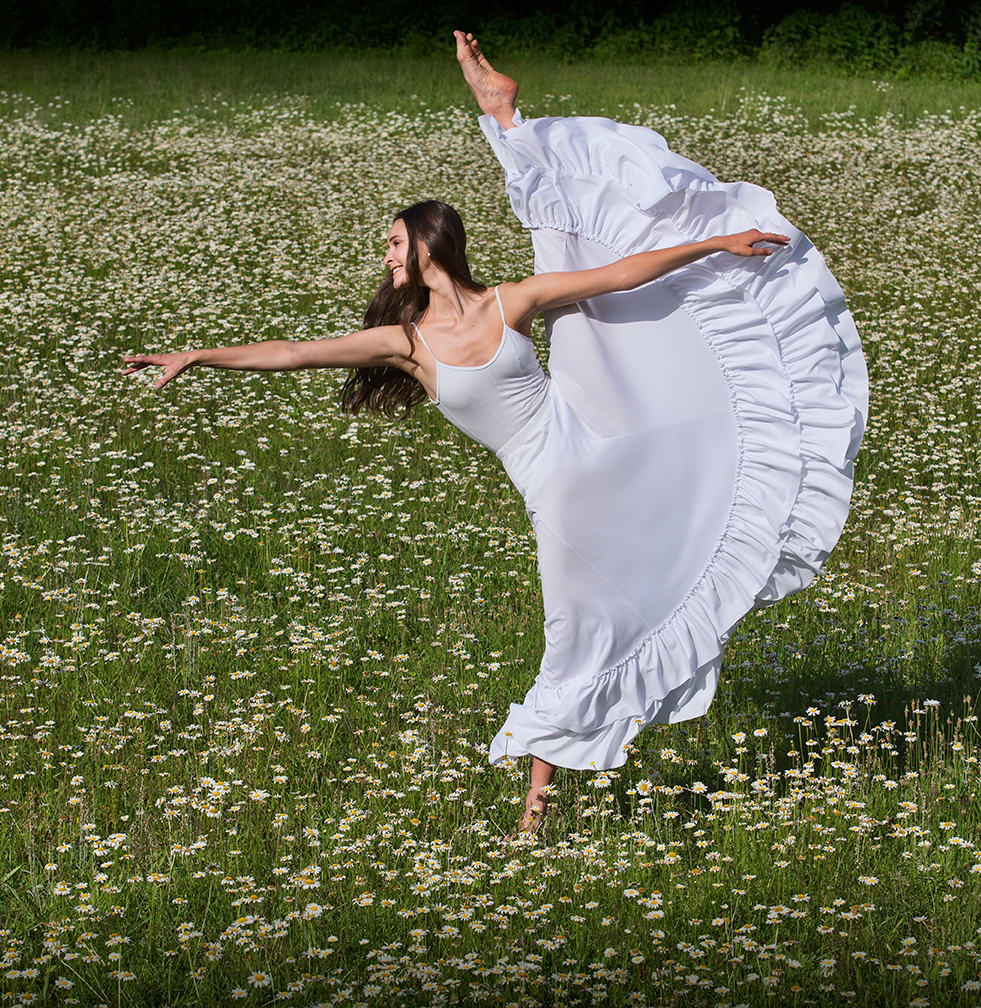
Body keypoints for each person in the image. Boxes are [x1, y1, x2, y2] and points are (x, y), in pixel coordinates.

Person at [122, 33, 866, 834]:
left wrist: (715, 243)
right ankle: (543, 798)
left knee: (583, 623)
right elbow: (296, 352)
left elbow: (619, 273)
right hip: (553, 485)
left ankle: (532, 819)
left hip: (599, 451)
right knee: (579, 625)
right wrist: (200, 355)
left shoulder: (510, 302)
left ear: (428, 242)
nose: (385, 256)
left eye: (394, 242)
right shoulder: (406, 344)